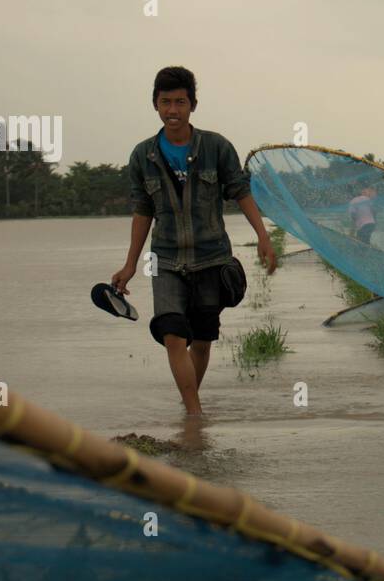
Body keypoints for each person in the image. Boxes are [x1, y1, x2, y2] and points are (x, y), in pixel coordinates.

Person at [111, 66, 277, 415]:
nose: (173, 110)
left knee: (201, 341)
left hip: (212, 257)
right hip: (166, 260)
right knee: (173, 334)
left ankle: (190, 411)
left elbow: (240, 192)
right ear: (155, 105)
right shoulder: (143, 156)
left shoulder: (216, 147)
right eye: (166, 102)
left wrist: (263, 236)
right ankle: (195, 413)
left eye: (180, 102)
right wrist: (129, 264)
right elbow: (143, 211)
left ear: (193, 105)